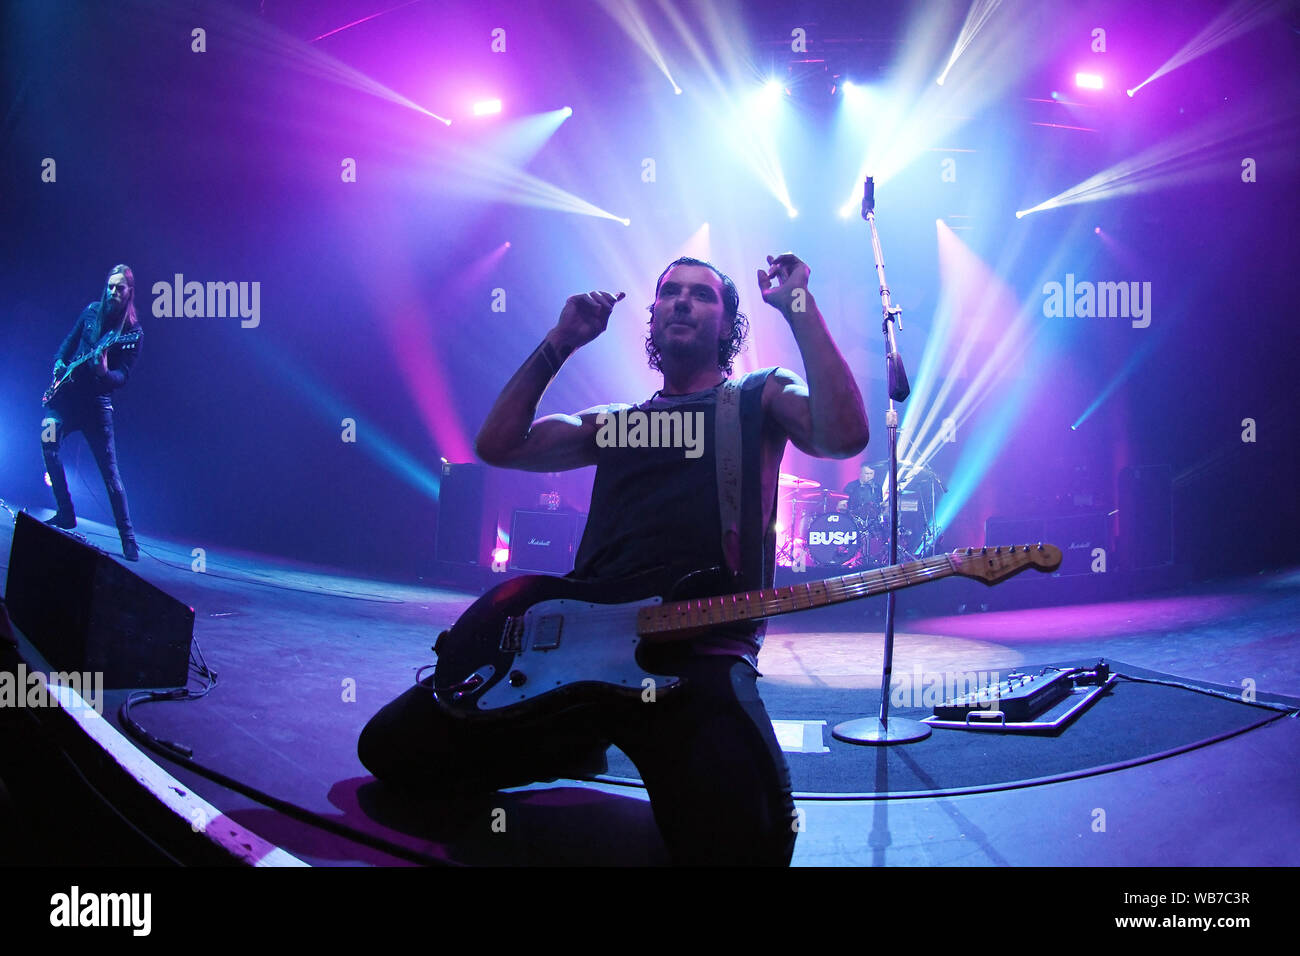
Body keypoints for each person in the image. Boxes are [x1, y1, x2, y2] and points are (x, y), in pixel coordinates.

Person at [358, 253, 869, 865]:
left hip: (696, 659)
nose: (682, 301)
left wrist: (799, 308)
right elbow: (499, 444)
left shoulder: (759, 398)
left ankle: (622, 746)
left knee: (752, 848)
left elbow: (844, 435)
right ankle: (572, 737)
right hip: (574, 657)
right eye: (670, 292)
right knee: (389, 749)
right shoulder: (622, 424)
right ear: (651, 316)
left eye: (702, 295)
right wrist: (561, 340)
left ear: (731, 322)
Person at [41, 265, 142, 561]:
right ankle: (65, 512)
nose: (113, 292)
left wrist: (103, 372)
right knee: (48, 442)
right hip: (64, 401)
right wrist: (59, 363)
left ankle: (128, 538)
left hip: (97, 409)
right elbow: (67, 344)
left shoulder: (131, 333)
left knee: (110, 475)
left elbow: (122, 377)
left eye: (119, 288)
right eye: (110, 286)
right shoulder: (90, 312)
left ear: (129, 293)